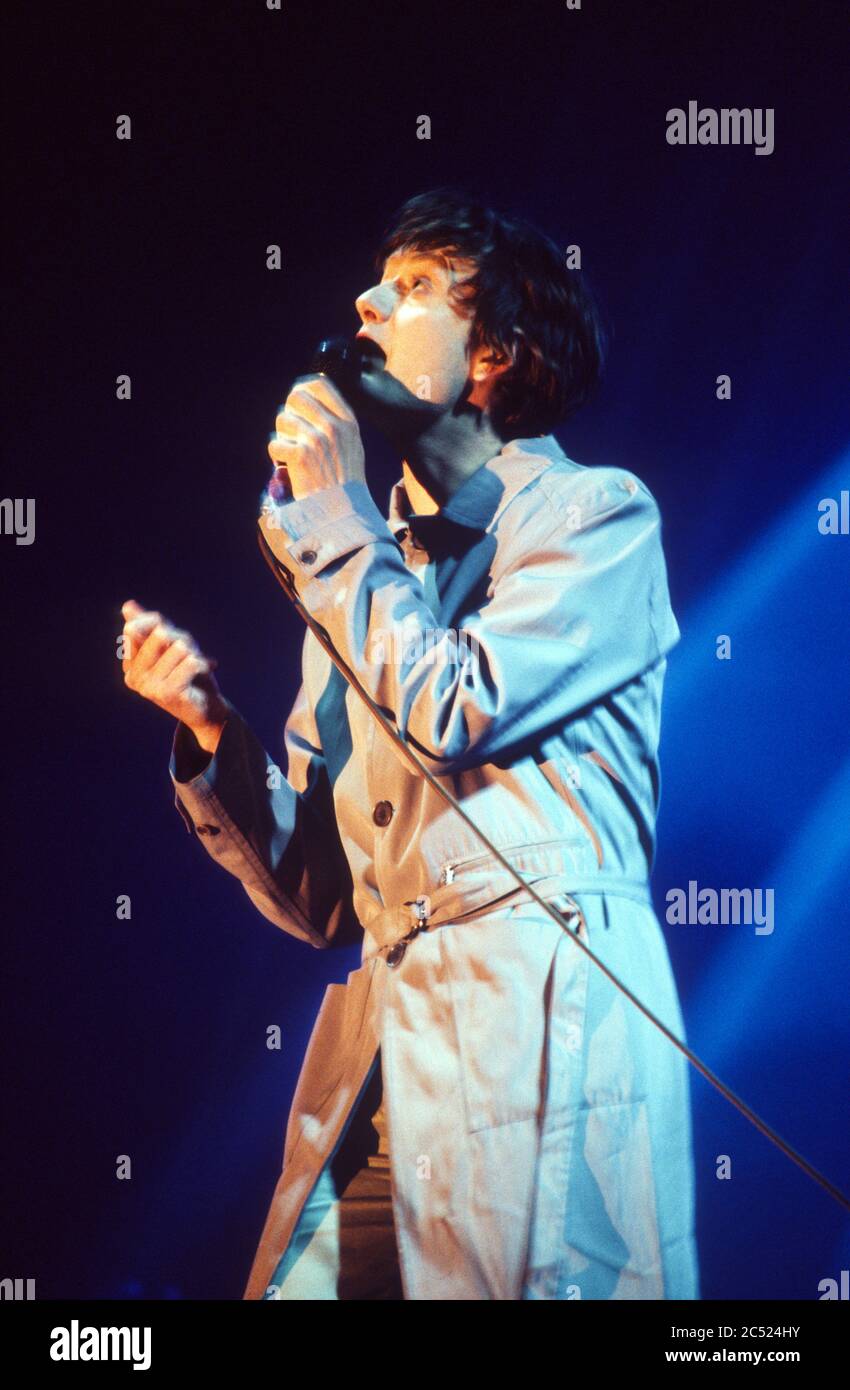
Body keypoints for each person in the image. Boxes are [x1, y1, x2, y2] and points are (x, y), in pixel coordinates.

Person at [121, 186, 700, 1301]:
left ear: (498, 352)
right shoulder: (359, 566)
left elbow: (461, 708)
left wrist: (331, 522)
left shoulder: (593, 516)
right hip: (385, 1057)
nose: (367, 300)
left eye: (417, 285)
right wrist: (210, 735)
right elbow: (322, 903)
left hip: (537, 1024)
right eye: (377, 281)